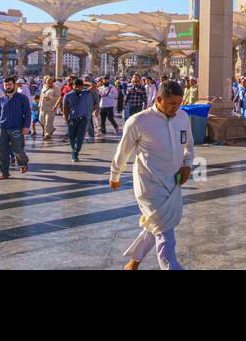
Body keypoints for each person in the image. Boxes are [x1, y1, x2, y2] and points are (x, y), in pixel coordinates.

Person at [109, 79, 195, 270]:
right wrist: (115, 175)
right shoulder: (139, 121)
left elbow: (189, 146)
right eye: (172, 103)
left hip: (174, 182)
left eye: (179, 104)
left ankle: (133, 263)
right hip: (149, 185)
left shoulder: (182, 118)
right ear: (158, 99)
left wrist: (187, 165)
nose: (176, 108)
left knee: (156, 224)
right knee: (166, 235)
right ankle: (171, 266)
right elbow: (123, 152)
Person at [0, 77, 31, 179]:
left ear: (14, 85)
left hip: (16, 128)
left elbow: (27, 113)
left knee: (17, 149)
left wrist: (26, 127)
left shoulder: (22, 98)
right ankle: (4, 173)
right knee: (0, 150)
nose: (7, 87)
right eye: (6, 85)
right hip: (2, 127)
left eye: (9, 84)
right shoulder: (1, 99)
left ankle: (23, 163)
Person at [62, 77, 96, 161]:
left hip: (83, 119)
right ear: (72, 86)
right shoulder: (68, 95)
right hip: (72, 119)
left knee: (80, 138)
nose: (78, 88)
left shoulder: (85, 93)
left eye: (80, 86)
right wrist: (66, 117)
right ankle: (74, 149)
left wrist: (83, 83)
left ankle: (75, 153)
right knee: (71, 137)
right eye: (76, 86)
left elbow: (94, 86)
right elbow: (65, 107)